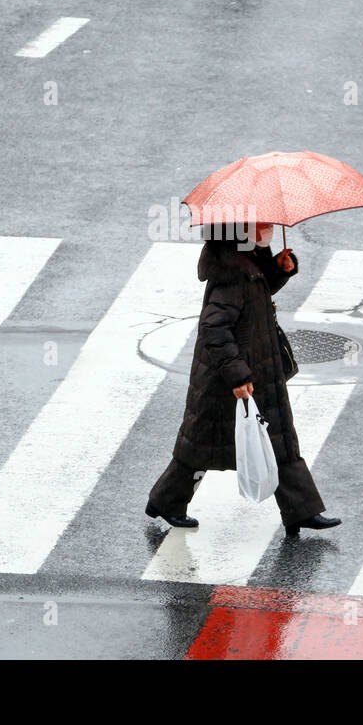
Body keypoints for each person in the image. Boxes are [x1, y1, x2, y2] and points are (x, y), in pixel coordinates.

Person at [146, 219, 341, 538]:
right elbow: (214, 329)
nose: (267, 227)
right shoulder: (232, 274)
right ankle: (166, 501)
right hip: (228, 379)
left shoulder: (248, 261)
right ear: (239, 231)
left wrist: (280, 270)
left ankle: (301, 511)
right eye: (259, 224)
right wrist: (237, 375)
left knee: (280, 442)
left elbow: (257, 297)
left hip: (258, 371)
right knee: (200, 446)